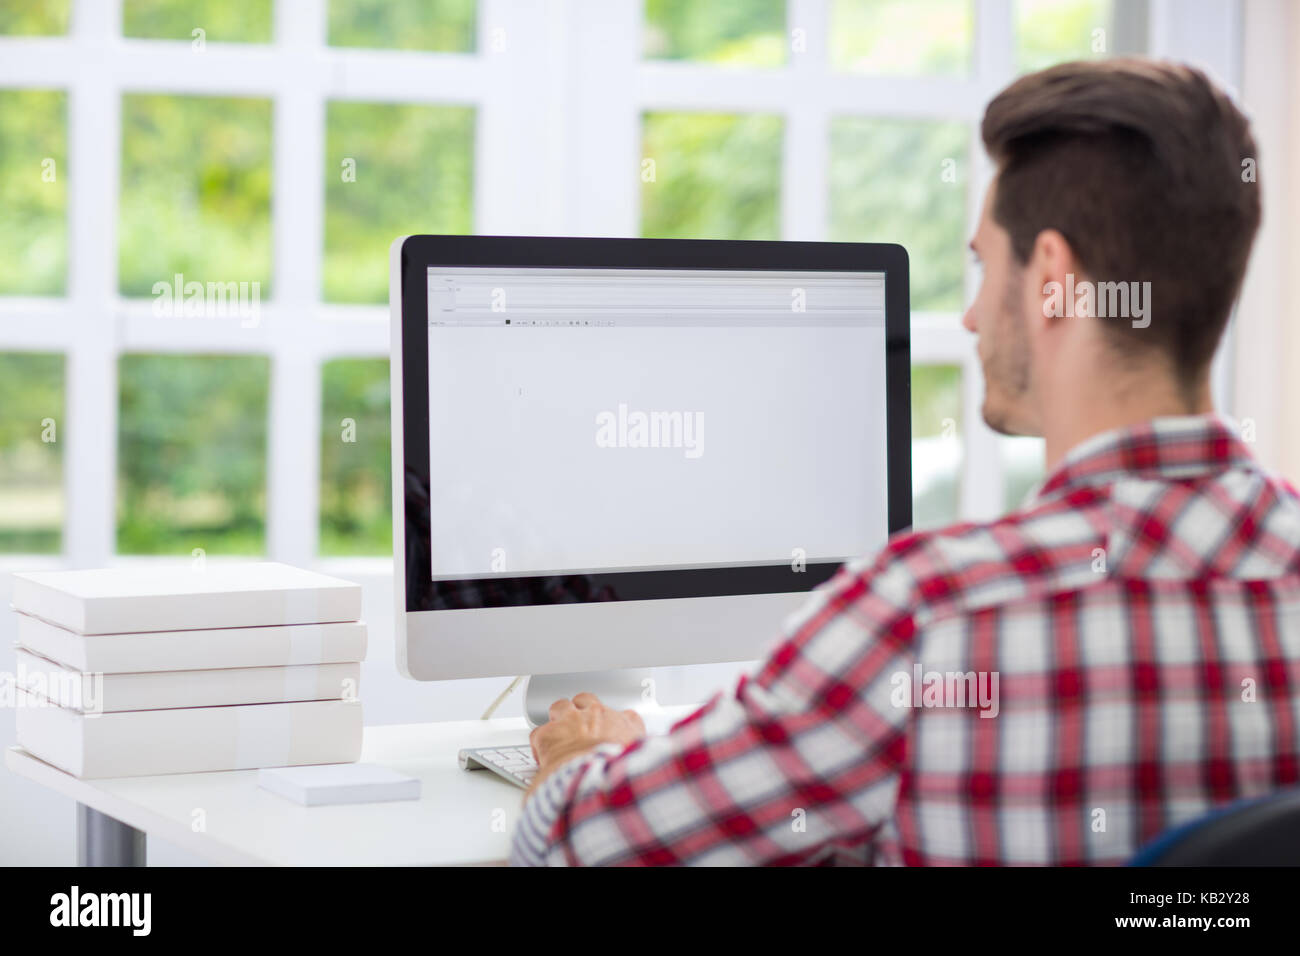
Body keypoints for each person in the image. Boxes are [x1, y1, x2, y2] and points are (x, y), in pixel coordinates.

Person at [511, 57, 1297, 866]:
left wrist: (574, 758)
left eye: (987, 266)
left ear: (1054, 282)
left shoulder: (927, 616)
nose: (971, 314)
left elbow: (578, 847)